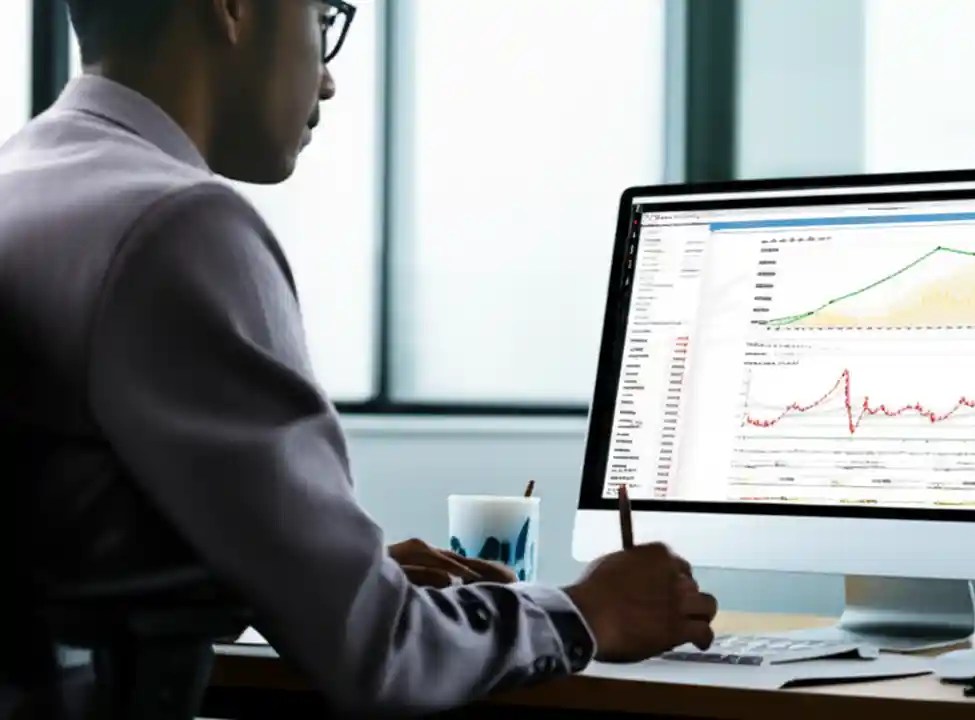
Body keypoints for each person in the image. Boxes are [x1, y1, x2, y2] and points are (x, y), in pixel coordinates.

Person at [0, 0, 717, 716]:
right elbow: (380, 655)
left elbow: (74, 561)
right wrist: (587, 612)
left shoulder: (25, 182)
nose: (330, 80)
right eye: (322, 18)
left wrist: (321, 582)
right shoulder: (177, 225)